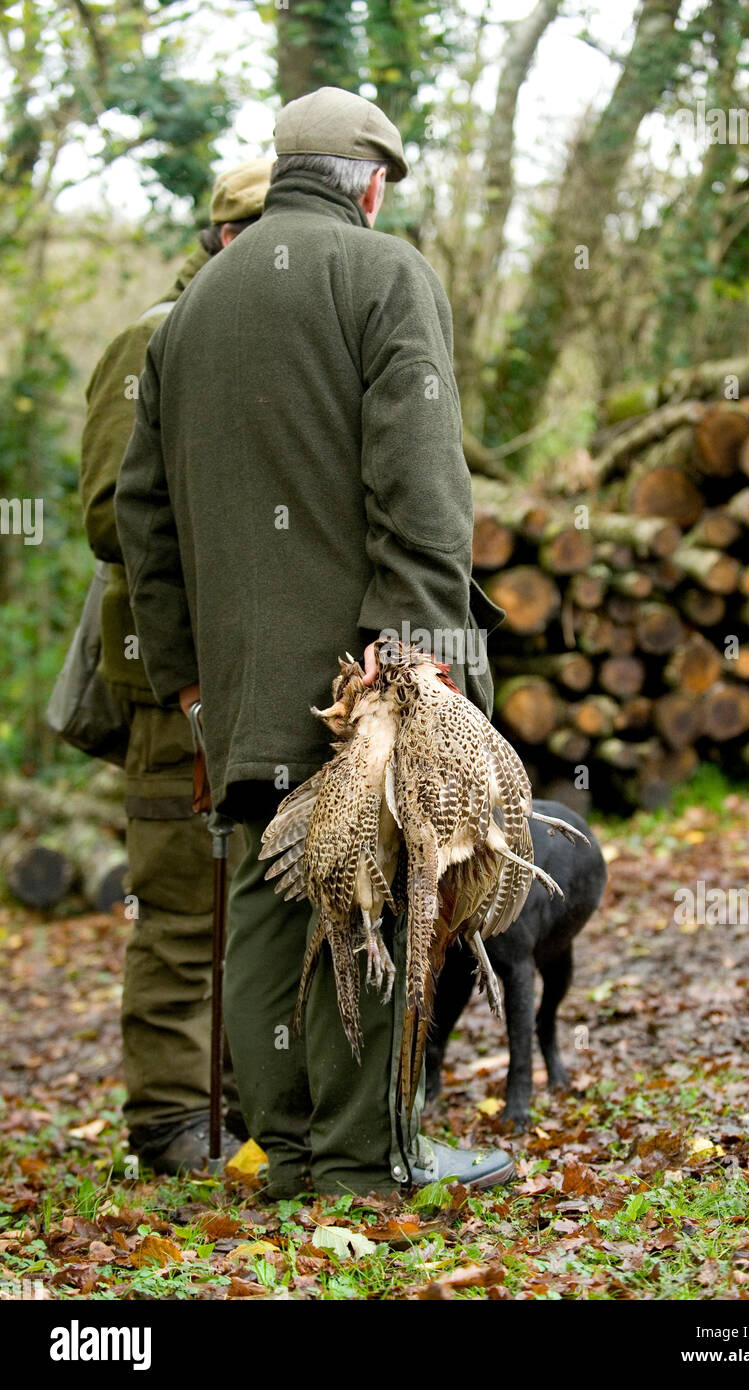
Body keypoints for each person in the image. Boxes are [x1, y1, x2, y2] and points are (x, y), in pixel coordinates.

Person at [116, 87, 514, 1197]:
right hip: (366, 676)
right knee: (374, 901)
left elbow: (139, 515)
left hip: (239, 685)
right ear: (372, 183)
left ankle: (281, 1152)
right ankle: (359, 1163)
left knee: (261, 902)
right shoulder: (384, 275)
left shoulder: (193, 307)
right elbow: (422, 487)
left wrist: (189, 677)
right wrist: (419, 648)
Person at [80, 160, 273, 1175]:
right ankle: (170, 1124)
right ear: (230, 238)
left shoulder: (275, 344)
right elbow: (110, 512)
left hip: (265, 679)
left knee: (254, 902)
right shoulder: (154, 336)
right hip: (168, 679)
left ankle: (240, 1110)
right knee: (177, 906)